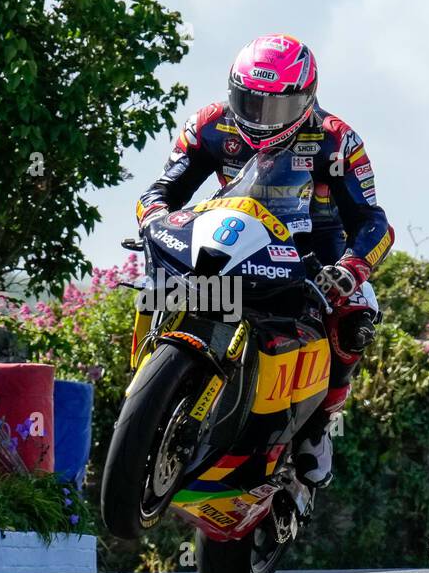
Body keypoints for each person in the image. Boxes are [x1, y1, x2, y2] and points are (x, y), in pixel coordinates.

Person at [135, 33, 393, 488]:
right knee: (160, 274)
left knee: (358, 318)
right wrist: (155, 218)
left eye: (273, 109)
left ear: (306, 98)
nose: (258, 119)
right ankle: (148, 388)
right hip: (229, 226)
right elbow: (162, 191)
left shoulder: (337, 140)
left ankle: (316, 429)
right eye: (248, 102)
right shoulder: (211, 124)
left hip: (315, 247)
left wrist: (352, 268)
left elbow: (373, 221)